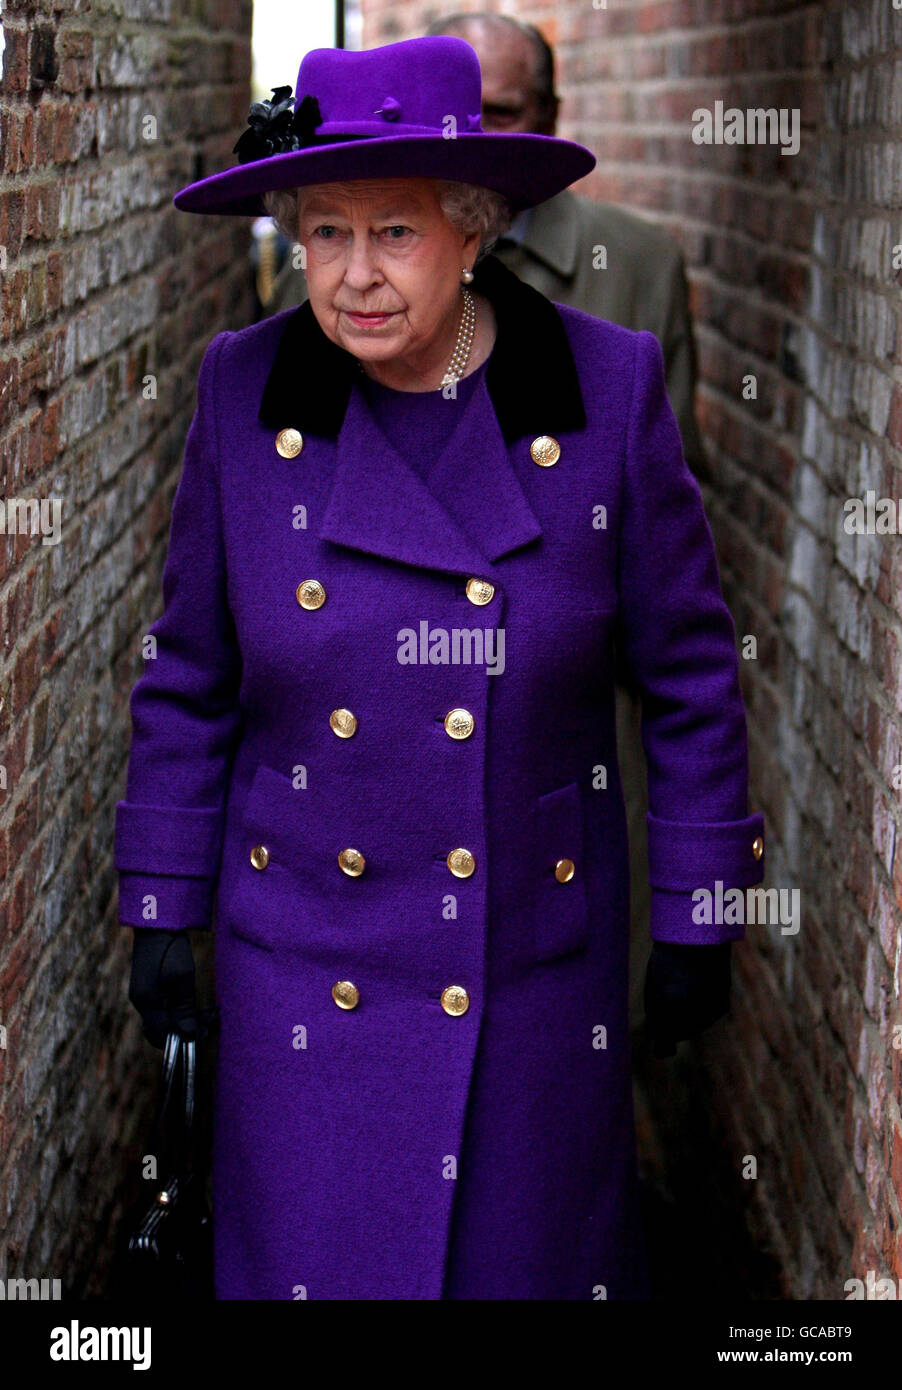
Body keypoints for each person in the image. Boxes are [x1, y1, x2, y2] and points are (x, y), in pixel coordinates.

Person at [116, 35, 765, 1301]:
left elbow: (688, 670)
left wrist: (700, 909)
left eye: (395, 233)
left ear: (475, 231)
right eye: (323, 232)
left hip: (526, 972)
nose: (353, 277)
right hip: (301, 962)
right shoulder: (241, 391)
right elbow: (188, 670)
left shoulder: (602, 387)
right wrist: (159, 901)